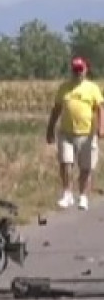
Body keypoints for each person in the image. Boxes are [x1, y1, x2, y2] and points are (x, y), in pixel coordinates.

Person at [46, 56, 104, 210]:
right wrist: (50, 128)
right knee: (66, 162)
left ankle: (83, 196)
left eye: (80, 69)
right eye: (75, 70)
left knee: (86, 167)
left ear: (85, 70)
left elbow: (99, 109)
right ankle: (67, 194)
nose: (77, 72)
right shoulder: (64, 87)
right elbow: (56, 109)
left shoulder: (92, 88)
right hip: (66, 133)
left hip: (87, 133)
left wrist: (101, 127)